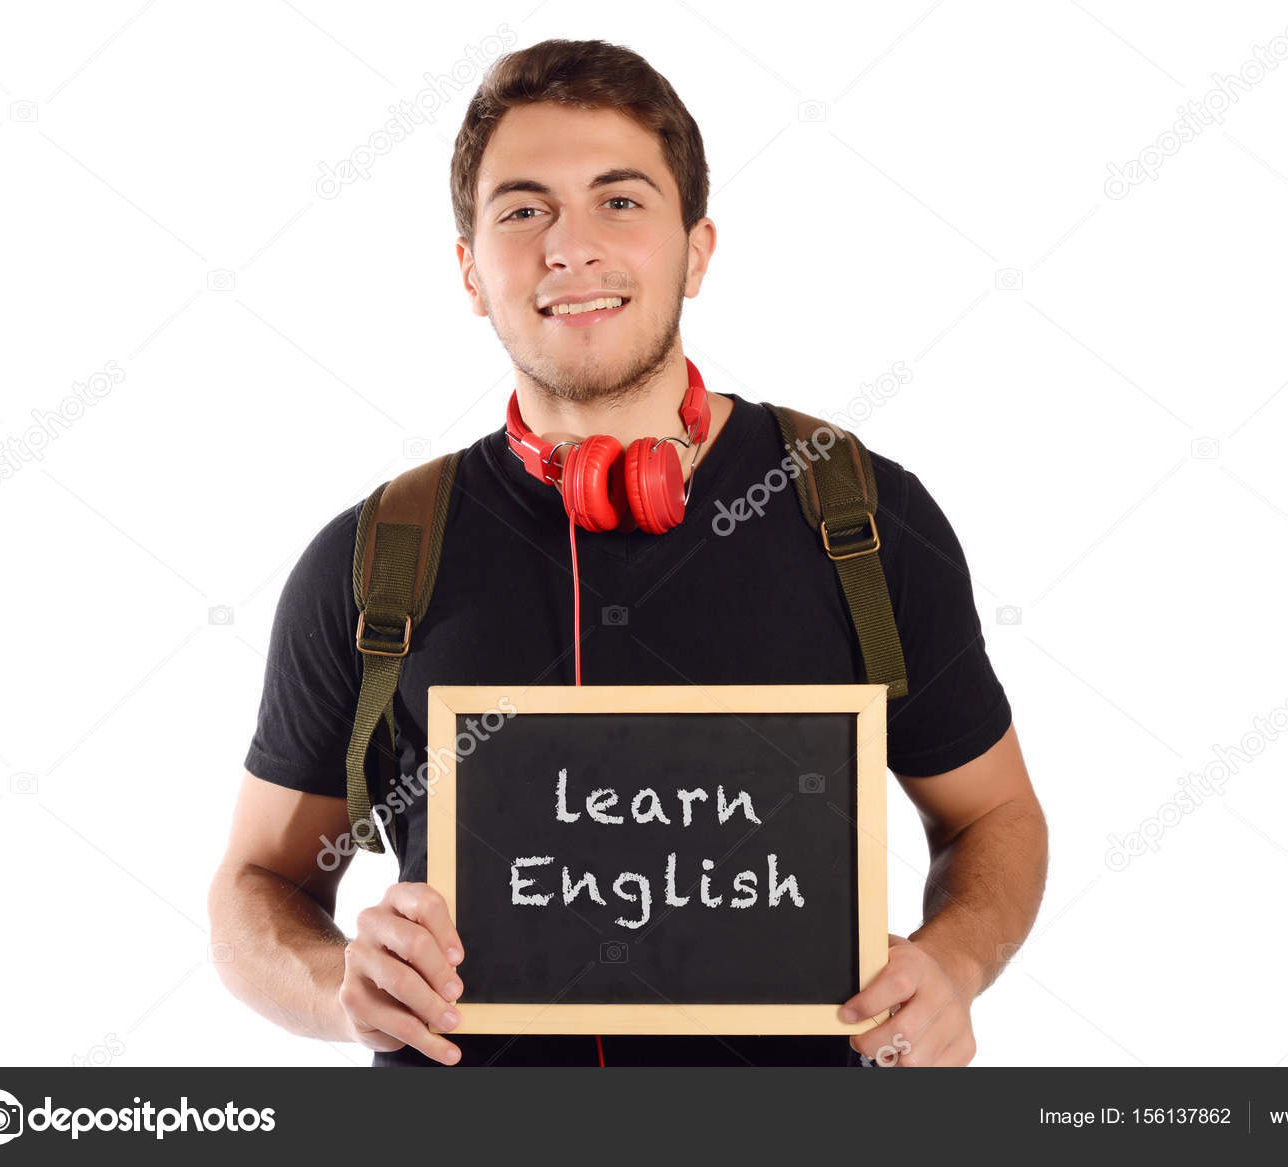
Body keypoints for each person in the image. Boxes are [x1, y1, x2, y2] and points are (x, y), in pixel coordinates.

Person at [208, 37, 1047, 1068]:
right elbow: (255, 887)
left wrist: (953, 965)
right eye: (523, 210)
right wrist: (337, 987)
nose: (570, 246)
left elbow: (995, 816)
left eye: (619, 201)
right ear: (471, 271)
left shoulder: (858, 517)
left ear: (696, 250)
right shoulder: (376, 558)